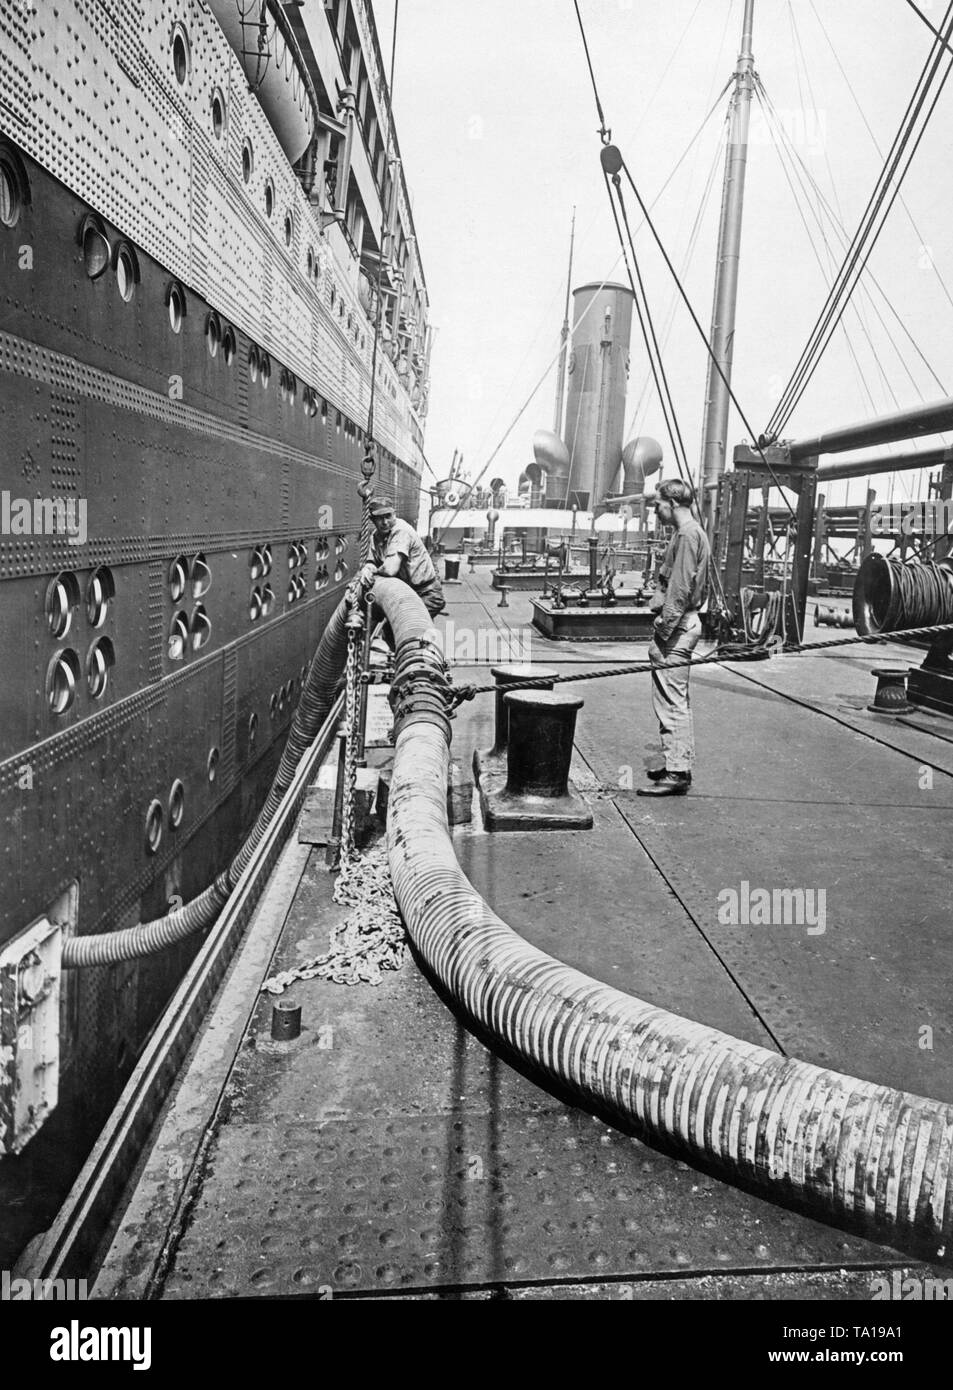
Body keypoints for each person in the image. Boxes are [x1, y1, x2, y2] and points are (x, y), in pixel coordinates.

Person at [637, 478, 710, 797]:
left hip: (678, 627)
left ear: (672, 503)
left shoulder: (688, 534)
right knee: (673, 699)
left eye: (658, 504)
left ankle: (678, 773)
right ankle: (675, 764)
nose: (656, 509)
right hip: (682, 624)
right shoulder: (690, 533)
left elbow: (679, 590)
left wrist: (662, 630)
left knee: (673, 701)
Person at [359, 497, 447, 619]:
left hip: (426, 594)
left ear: (394, 514)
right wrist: (367, 569)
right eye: (380, 518)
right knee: (389, 628)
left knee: (407, 627)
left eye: (388, 516)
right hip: (405, 593)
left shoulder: (401, 531)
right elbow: (371, 562)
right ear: (372, 519)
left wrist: (374, 571)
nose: (385, 522)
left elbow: (390, 570)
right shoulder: (375, 536)